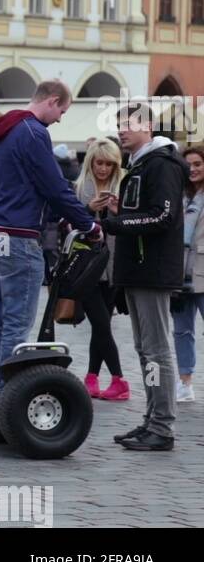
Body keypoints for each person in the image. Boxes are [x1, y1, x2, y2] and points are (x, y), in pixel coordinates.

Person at [0, 80, 98, 413]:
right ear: (52, 101)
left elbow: (7, 185)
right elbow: (54, 186)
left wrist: (54, 216)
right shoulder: (33, 133)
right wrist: (87, 224)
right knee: (16, 323)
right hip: (17, 238)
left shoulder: (2, 130)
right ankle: (4, 399)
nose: (60, 119)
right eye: (62, 111)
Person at [105, 103, 187, 451]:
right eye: (119, 124)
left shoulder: (162, 165)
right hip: (138, 270)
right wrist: (119, 211)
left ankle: (162, 427)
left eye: (128, 124)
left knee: (157, 350)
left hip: (152, 270)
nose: (122, 130)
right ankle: (152, 419)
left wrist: (118, 222)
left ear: (148, 127)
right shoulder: (139, 165)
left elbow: (163, 216)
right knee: (144, 350)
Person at [73, 138, 128, 401]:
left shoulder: (123, 188)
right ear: (91, 162)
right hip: (86, 265)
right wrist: (87, 210)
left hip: (114, 265)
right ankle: (119, 379)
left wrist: (117, 213)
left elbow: (131, 225)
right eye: (99, 163)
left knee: (101, 325)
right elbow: (67, 224)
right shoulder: (80, 187)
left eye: (108, 164)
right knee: (101, 322)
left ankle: (91, 377)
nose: (103, 169)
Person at [172, 144, 204, 402]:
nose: (192, 169)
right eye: (189, 165)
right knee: (182, 331)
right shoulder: (176, 195)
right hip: (178, 273)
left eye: (197, 164)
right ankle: (185, 381)